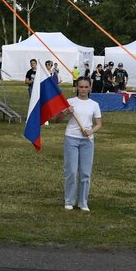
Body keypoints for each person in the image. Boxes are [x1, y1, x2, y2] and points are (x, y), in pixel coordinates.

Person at [54, 76, 102, 211]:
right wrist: (66, 112)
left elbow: (99, 124)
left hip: (87, 141)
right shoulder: (69, 102)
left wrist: (90, 131)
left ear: (90, 88)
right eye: (81, 87)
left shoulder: (94, 104)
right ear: (76, 88)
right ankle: (69, 200)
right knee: (71, 171)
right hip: (71, 138)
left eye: (86, 87)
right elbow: (57, 119)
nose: (83, 89)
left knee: (85, 173)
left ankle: (83, 202)